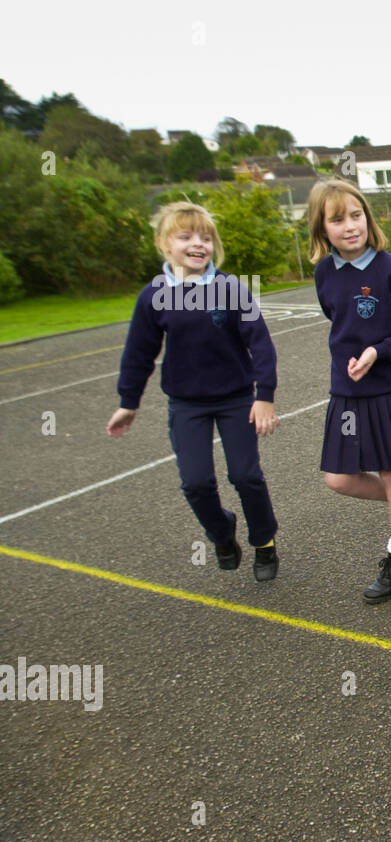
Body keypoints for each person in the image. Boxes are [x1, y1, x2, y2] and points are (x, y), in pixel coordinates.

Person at [108, 202, 281, 580]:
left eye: (205, 237)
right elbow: (139, 352)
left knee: (246, 476)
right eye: (185, 236)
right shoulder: (154, 295)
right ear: (163, 244)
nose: (197, 244)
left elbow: (261, 344)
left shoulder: (231, 289)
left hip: (237, 400)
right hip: (187, 404)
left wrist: (264, 396)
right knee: (196, 482)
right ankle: (222, 533)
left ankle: (264, 542)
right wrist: (128, 403)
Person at [307, 179, 391, 603]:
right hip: (347, 393)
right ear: (321, 229)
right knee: (338, 478)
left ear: (367, 216)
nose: (350, 226)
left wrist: (378, 352)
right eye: (337, 219)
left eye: (356, 215)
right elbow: (338, 318)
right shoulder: (324, 273)